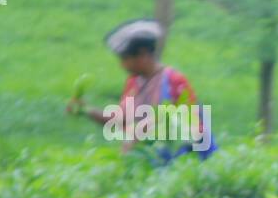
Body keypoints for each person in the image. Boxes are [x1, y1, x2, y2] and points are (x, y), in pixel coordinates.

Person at [67, 18, 217, 164]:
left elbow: (184, 123)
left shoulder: (174, 81)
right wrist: (87, 110)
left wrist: (138, 132)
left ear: (143, 55)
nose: (123, 65)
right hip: (153, 164)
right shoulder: (134, 83)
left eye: (125, 59)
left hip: (186, 162)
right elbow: (120, 120)